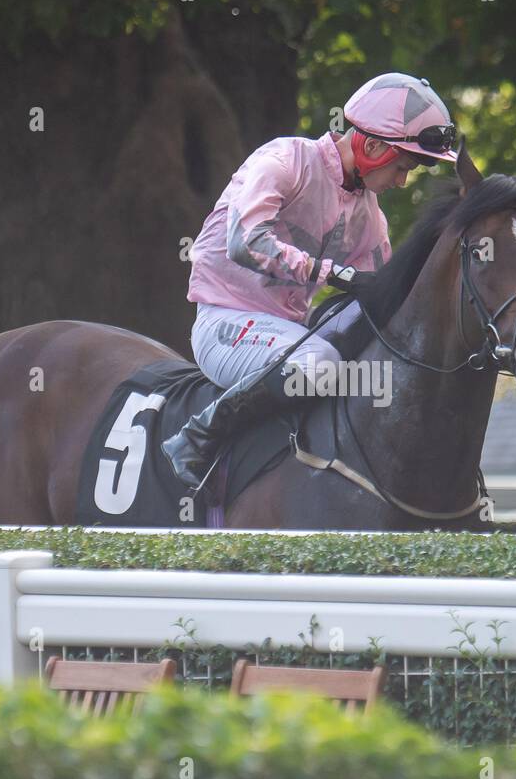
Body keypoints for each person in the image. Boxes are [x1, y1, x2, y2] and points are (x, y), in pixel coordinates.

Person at [160, 73, 459, 487]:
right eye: (402, 167)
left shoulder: (370, 217)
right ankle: (198, 435)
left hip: (287, 334)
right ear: (372, 147)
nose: (402, 180)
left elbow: (381, 300)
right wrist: (332, 272)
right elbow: (246, 242)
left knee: (377, 370)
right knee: (320, 364)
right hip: (224, 324)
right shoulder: (284, 160)